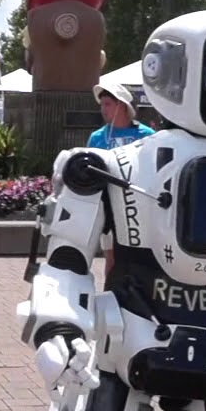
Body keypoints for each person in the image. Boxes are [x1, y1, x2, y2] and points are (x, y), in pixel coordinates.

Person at [87, 81, 155, 280]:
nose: (103, 109)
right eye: (102, 105)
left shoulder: (147, 136)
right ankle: (111, 291)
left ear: (122, 106)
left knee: (140, 257)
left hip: (138, 207)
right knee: (112, 256)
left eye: (108, 104)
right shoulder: (97, 137)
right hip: (108, 205)